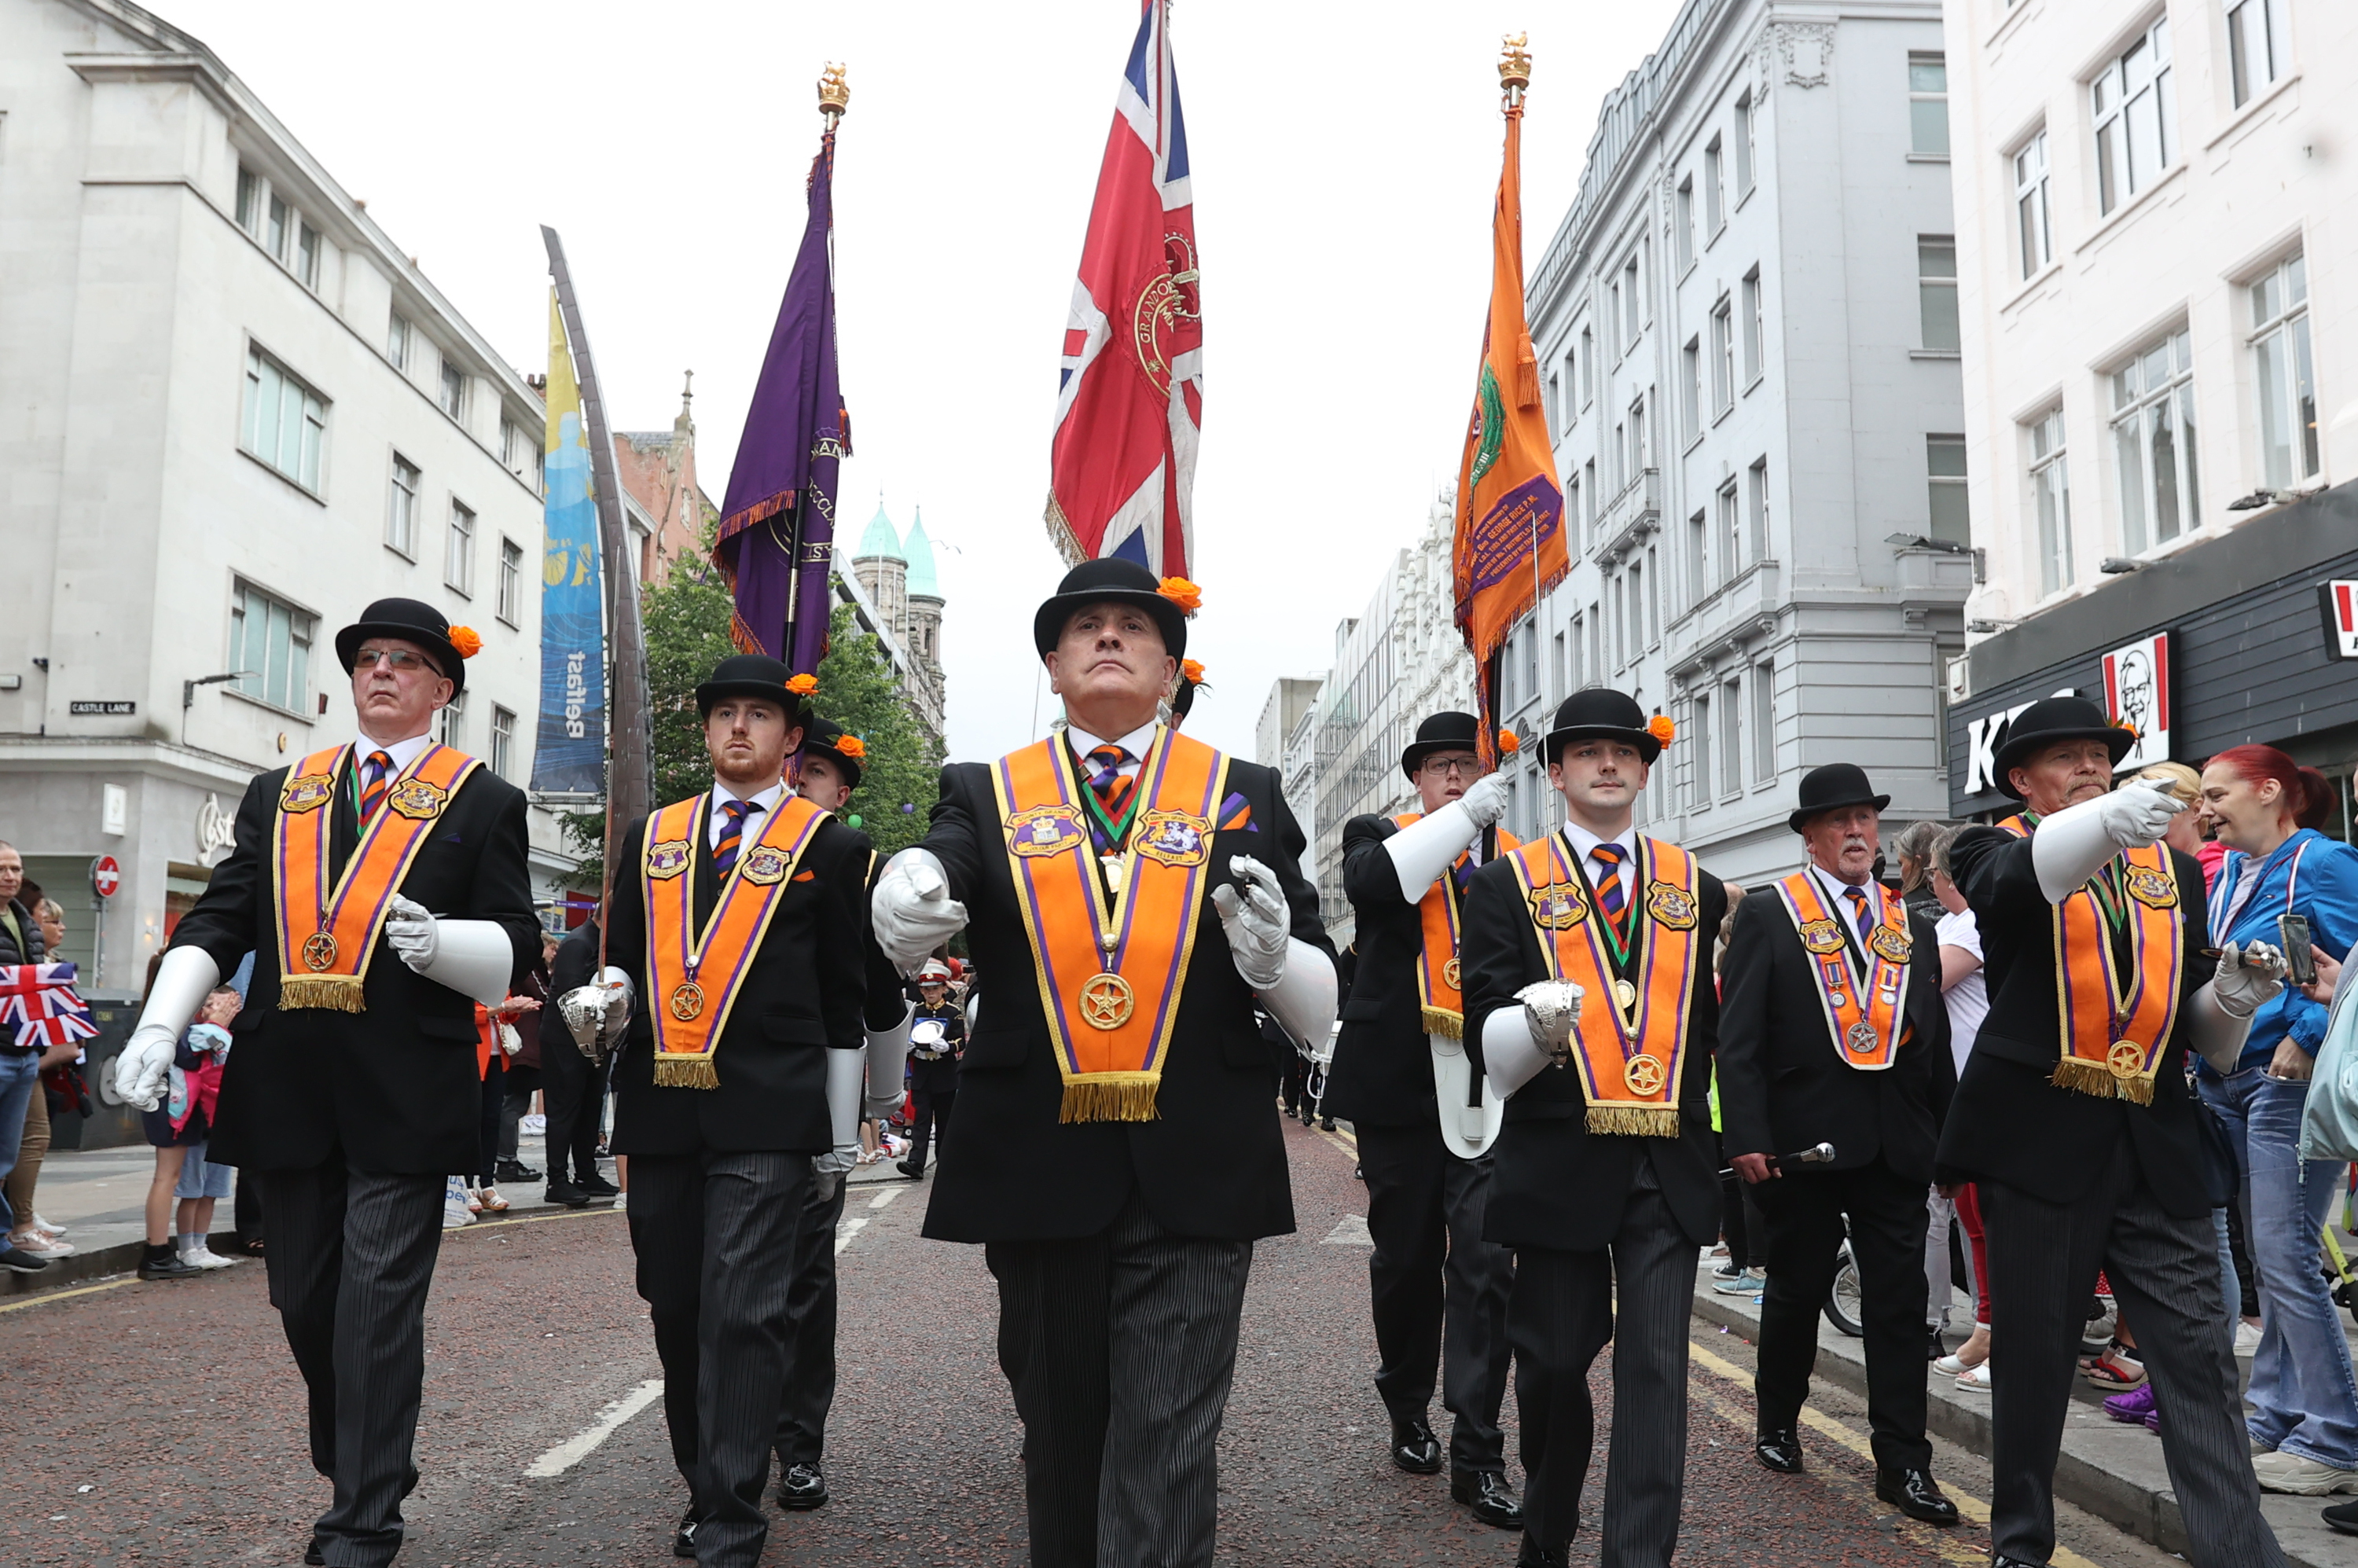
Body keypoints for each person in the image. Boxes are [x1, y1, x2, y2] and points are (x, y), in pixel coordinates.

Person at [869, 557, 1337, 1568]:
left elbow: (1318, 1000)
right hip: (1036, 1159)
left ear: (1170, 669)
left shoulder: (1242, 792)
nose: (1111, 636)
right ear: (1053, 664)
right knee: (1063, 1442)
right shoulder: (985, 791)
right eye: (1086, 626)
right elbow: (940, 867)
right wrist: (908, 882)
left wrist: (1272, 958)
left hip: (1199, 1161)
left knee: (1166, 1448)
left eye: (1135, 625)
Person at [112, 597, 538, 1568]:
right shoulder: (281, 792)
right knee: (305, 1301)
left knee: (376, 1304)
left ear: (441, 689)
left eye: (405, 660)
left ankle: (362, 1516)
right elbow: (222, 918)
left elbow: (517, 942)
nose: (381, 670)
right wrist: (161, 1022)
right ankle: (362, 1455)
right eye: (368, 657)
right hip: (288, 1085)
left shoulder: (484, 801)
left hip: (407, 1087)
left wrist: (449, 946)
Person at [1936, 695, 2290, 1568]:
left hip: (2158, 1145)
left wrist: (2234, 1000)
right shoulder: (1991, 848)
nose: (2090, 766)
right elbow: (2023, 883)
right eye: (2065, 758)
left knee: (2200, 1366)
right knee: (2035, 1365)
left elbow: (2187, 1029)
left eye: (2099, 753)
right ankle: (2022, 1546)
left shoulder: (2175, 870)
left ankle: (2239, 1553)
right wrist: (2103, 820)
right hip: (2040, 1147)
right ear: (2022, 781)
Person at [604, 653, 868, 1566]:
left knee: (744, 1312)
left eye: (759, 714)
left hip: (771, 1109)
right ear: (708, 729)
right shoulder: (654, 836)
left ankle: (729, 1518)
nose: (740, 727)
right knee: (676, 1306)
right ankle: (703, 1483)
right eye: (725, 714)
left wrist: (840, 1131)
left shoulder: (829, 846)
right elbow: (623, 959)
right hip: (662, 1105)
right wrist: (605, 999)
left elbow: (842, 999)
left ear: (791, 740)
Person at [1460, 689, 1728, 1568]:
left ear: (1645, 771)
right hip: (1557, 1162)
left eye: (1624, 752)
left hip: (1666, 1165)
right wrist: (1531, 1027)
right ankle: (1547, 1536)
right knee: (1548, 1367)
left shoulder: (1697, 886)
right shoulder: (1504, 884)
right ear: (1555, 773)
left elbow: (1709, 1033)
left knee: (1656, 1378)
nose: (1607, 764)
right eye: (1585, 752)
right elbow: (1484, 1030)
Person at [1717, 764, 1959, 1522]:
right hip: (1801, 1145)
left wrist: (1949, 1139)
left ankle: (1904, 1462)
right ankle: (1778, 1419)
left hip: (1896, 1143)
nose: (1856, 831)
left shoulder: (1909, 924)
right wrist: (1746, 1135)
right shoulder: (1769, 912)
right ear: (1811, 837)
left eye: (1865, 818)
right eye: (1839, 821)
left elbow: (1933, 1043)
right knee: (1796, 1287)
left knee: (1900, 1304)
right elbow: (1739, 1039)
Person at [1320, 710, 1522, 1529]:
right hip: (1401, 1086)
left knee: (1485, 1264)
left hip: (1492, 1080)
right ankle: (1407, 1402)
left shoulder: (1517, 861)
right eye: (1440, 766)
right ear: (1417, 777)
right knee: (1406, 1261)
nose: (1454, 777)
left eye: (1467, 766)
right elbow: (1376, 887)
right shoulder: (1380, 834)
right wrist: (1462, 821)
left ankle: (1478, 1449)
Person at [2190, 744, 2358, 1493]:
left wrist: (2309, 1033)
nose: (2204, 809)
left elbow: (2353, 967)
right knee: (2271, 1256)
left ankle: (2335, 1435)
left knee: (2285, 1255)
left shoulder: (2324, 862)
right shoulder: (2229, 870)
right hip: (2229, 1079)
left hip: (2285, 1082)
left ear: (2269, 791)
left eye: (2216, 793)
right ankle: (2277, 1412)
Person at [768, 710, 913, 1515]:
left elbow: (876, 994)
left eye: (815, 771)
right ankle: (724, 1434)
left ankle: (796, 1444)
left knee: (801, 1275)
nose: (798, 781)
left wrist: (872, 1104)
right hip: (712, 1094)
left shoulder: (854, 866)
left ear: (843, 792)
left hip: (813, 1094)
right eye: (793, 767)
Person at [1927, 828, 1994, 1390]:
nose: (1930, 880)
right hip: (1958, 1088)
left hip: (1987, 1080)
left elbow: (1926, 980)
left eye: (1933, 870)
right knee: (1972, 1216)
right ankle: (1987, 1327)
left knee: (1990, 1217)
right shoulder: (1949, 924)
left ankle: (2004, 1330)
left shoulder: (1973, 923)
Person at [5, 890, 82, 1263]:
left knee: (20, 1143)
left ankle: (20, 1222)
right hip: (19, 1051)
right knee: (26, 1139)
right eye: (51, 919)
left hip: (25, 1053)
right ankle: (19, 1223)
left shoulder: (35, 949)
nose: (60, 928)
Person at [540, 916, 618, 1208]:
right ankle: (556, 1180)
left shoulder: (599, 942)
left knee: (590, 1109)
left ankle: (586, 1173)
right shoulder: (578, 943)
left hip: (593, 1037)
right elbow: (572, 995)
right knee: (564, 1110)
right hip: (566, 1039)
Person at [900, 959, 965, 1178]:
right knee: (921, 1120)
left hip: (944, 1072)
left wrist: (949, 1046)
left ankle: (945, 1162)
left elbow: (961, 1041)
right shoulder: (915, 1011)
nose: (930, 993)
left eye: (935, 989)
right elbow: (906, 1036)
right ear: (921, 990)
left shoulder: (952, 1012)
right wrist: (907, 1047)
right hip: (922, 1071)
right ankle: (916, 1162)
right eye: (926, 989)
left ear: (943, 989)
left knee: (945, 1121)